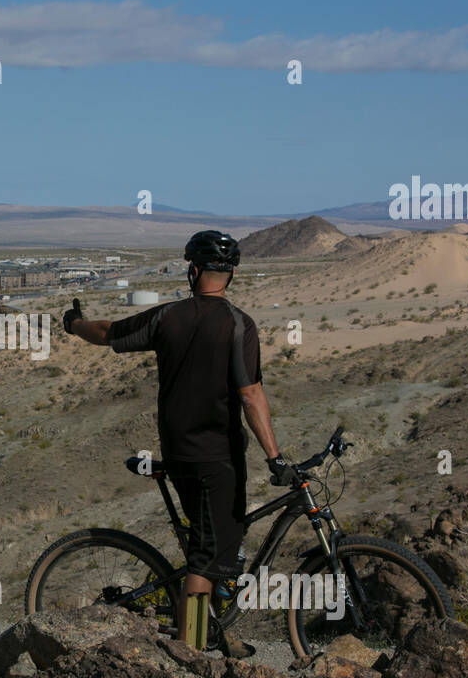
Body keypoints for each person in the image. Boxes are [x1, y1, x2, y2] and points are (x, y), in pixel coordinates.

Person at [62, 231, 298, 656]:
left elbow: (107, 332)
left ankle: (210, 631)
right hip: (217, 458)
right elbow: (250, 394)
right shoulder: (239, 325)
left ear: (192, 270)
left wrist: (74, 324)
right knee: (206, 559)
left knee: (218, 544)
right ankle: (189, 656)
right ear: (231, 275)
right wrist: (275, 457)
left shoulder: (166, 318)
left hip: (179, 450)